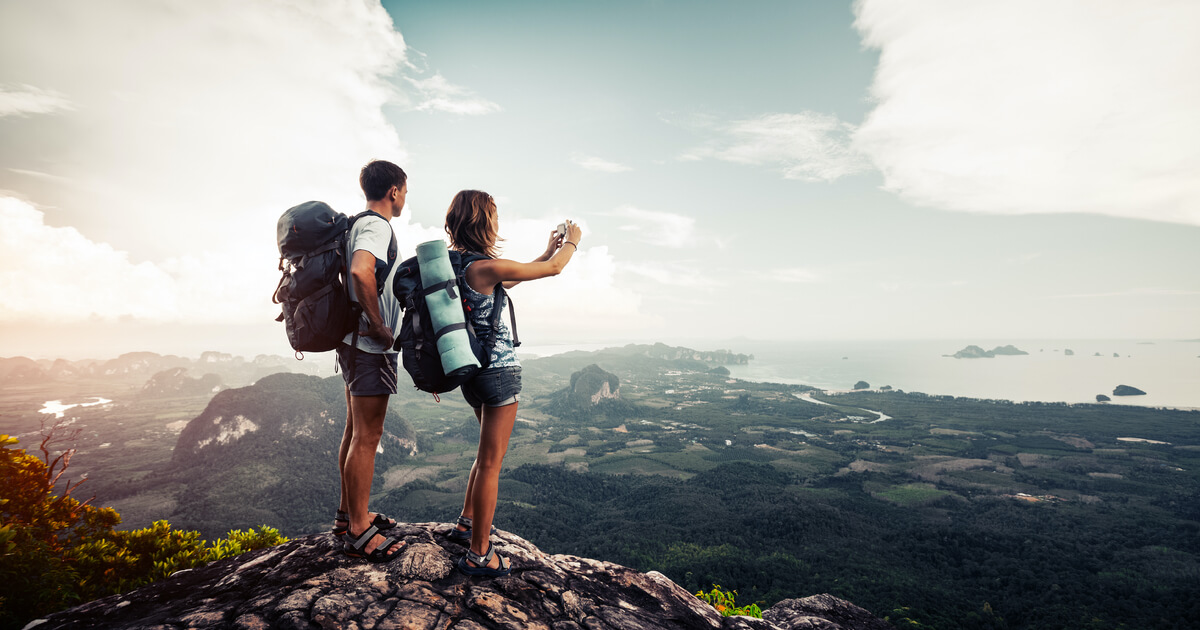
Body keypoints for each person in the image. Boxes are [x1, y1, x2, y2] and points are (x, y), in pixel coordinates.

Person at [442, 190, 583, 577]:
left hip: (471, 374)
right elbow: (555, 270)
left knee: (484, 455)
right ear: (484, 221)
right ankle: (479, 554)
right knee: (492, 462)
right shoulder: (487, 266)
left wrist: (544, 251)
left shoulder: (458, 266)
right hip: (499, 372)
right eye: (495, 216)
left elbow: (514, 279)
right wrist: (571, 241)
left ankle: (466, 524)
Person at [334, 160, 408, 562]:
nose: (405, 198)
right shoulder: (377, 226)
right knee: (368, 437)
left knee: (354, 431)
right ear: (393, 191)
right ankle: (359, 529)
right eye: (405, 191)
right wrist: (380, 327)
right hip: (368, 347)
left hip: (351, 342)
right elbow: (362, 272)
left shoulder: (356, 224)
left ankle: (348, 515)